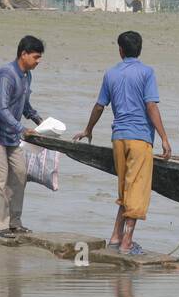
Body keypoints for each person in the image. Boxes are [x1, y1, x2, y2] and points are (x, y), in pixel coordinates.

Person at [73, 31, 173, 255]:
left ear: (120, 50)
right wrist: (165, 138)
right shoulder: (147, 73)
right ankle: (127, 243)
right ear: (140, 50)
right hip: (139, 139)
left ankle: (115, 237)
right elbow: (151, 106)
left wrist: (88, 130)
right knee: (137, 190)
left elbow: (100, 106)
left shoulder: (111, 74)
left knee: (125, 189)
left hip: (118, 138)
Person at [0, 35, 45, 236]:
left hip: (10, 135)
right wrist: (22, 129)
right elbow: (2, 110)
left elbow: (24, 104)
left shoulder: (26, 75)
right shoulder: (6, 74)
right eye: (36, 57)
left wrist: (40, 121)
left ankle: (14, 221)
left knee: (20, 174)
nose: (38, 61)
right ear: (23, 54)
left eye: (40, 58)